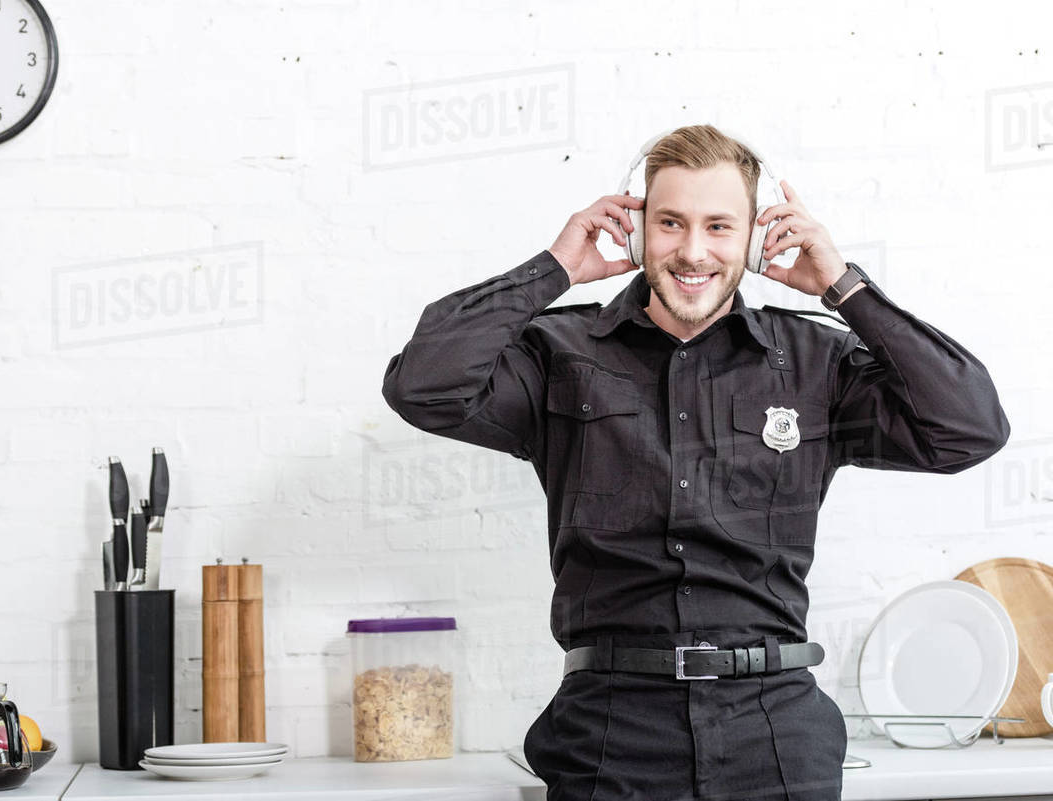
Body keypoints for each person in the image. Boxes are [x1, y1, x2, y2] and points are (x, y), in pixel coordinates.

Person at [380, 124, 1010, 800]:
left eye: (718, 226)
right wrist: (555, 268)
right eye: (671, 222)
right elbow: (421, 385)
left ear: (753, 237)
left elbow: (967, 427)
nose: (693, 251)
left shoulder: (813, 362)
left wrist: (843, 286)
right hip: (609, 732)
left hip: (776, 733)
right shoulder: (558, 351)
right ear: (635, 227)